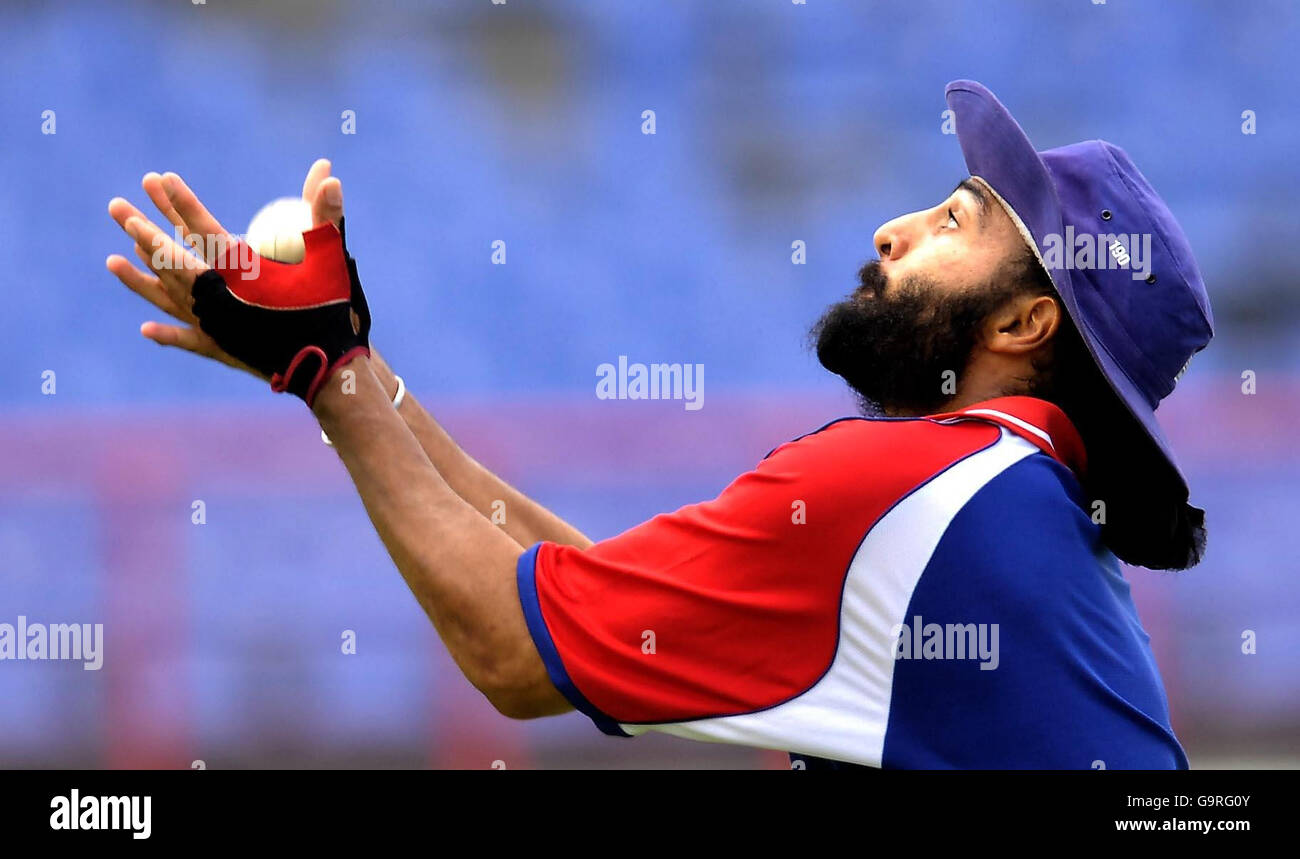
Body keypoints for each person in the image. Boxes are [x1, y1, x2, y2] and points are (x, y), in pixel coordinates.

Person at [106, 80, 1212, 768]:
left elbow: (510, 653)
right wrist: (351, 359)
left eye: (953, 221)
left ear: (1026, 320)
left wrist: (327, 370)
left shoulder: (914, 492)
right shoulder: (1001, 501)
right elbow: (589, 598)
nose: (891, 229)